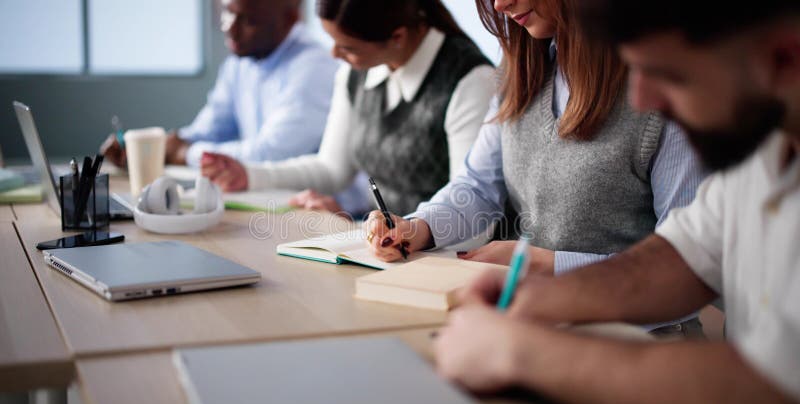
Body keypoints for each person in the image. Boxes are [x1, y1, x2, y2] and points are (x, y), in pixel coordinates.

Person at [434, 0, 800, 404]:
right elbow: (683, 255)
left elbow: (775, 391)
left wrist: (519, 353)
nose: (641, 99)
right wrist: (544, 295)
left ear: (785, 60)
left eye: (669, 76)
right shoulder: (761, 145)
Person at [365, 0, 705, 287]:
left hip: (639, 340)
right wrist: (417, 228)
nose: (500, 5)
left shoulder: (664, 88)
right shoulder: (524, 67)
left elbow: (685, 268)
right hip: (541, 318)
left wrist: (546, 265)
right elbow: (478, 188)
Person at [200, 0, 496, 217]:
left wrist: (373, 230)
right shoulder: (359, 71)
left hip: (441, 257)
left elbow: (470, 210)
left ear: (398, 37)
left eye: (348, 47)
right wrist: (250, 175)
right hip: (384, 245)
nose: (334, 54)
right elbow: (332, 169)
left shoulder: (470, 80)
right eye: (332, 41)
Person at [100, 0, 337, 170]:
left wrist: (185, 154)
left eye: (249, 20)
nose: (230, 28)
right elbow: (209, 129)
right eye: (227, 12)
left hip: (327, 216)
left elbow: (272, 154)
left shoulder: (314, 66)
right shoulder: (240, 62)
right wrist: (151, 149)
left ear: (290, 19)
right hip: (269, 200)